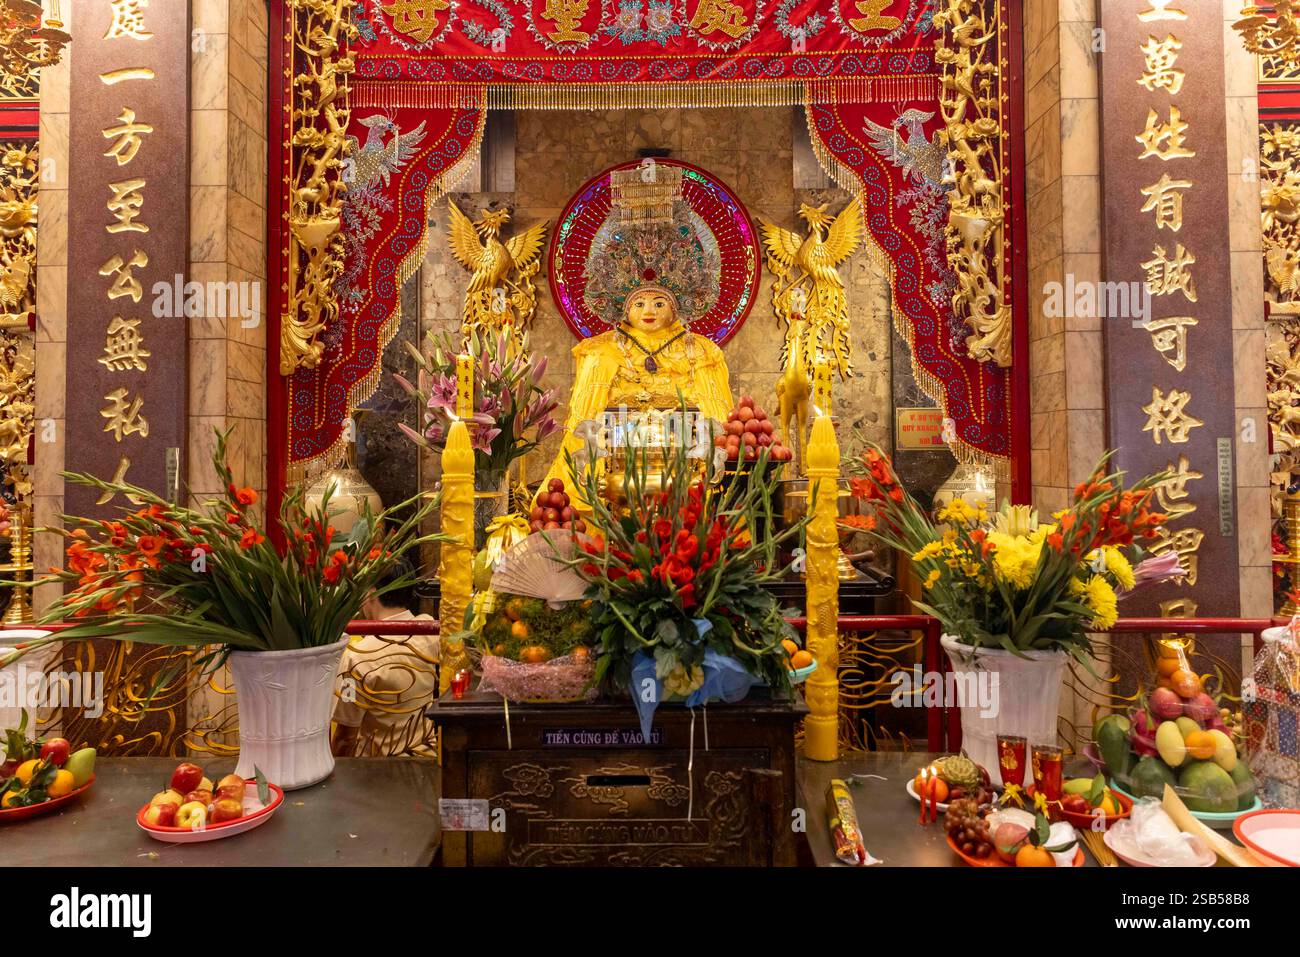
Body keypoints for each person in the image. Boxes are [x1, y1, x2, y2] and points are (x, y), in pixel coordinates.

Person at [331, 560, 438, 757]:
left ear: (370, 593)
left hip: (378, 769)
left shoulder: (357, 657)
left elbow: (345, 737)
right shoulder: (430, 631)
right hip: (427, 758)